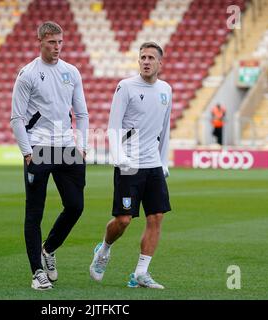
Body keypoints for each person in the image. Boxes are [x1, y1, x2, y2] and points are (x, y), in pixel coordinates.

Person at [10, 21, 89, 290]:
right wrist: (27, 152)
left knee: (76, 206)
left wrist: (83, 145)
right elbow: (17, 118)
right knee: (35, 212)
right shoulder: (28, 74)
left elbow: (82, 113)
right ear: (40, 41)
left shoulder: (71, 72)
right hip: (39, 149)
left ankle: (49, 248)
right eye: (52, 42)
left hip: (67, 148)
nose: (57, 47)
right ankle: (37, 273)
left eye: (60, 42)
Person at [89, 42, 172, 289]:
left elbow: (164, 130)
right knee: (124, 220)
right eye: (142, 57)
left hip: (153, 165)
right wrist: (118, 156)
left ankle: (141, 273)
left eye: (150, 58)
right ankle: (103, 250)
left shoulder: (166, 90)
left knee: (156, 217)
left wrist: (163, 160)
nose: (146, 61)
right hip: (129, 165)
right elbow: (113, 126)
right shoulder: (125, 87)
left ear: (160, 63)